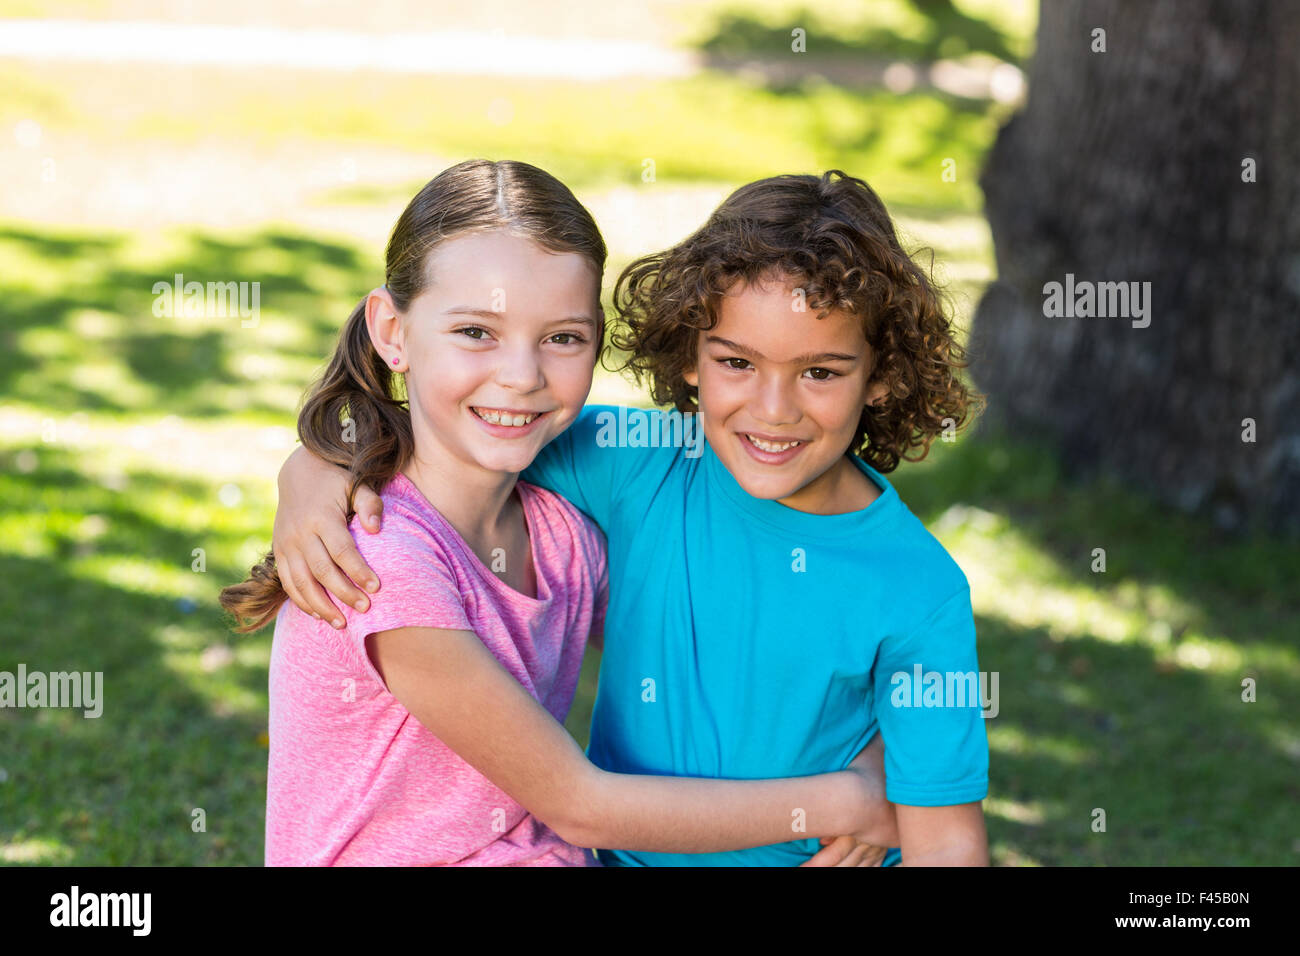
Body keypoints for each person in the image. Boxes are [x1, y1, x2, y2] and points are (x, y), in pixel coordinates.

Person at [275, 169, 989, 866]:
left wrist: (896, 754)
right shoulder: (624, 470)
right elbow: (442, 428)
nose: (774, 409)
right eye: (737, 361)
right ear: (690, 355)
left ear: (883, 373)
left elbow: (940, 828)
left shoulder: (918, 588)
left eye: (821, 372)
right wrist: (312, 471)